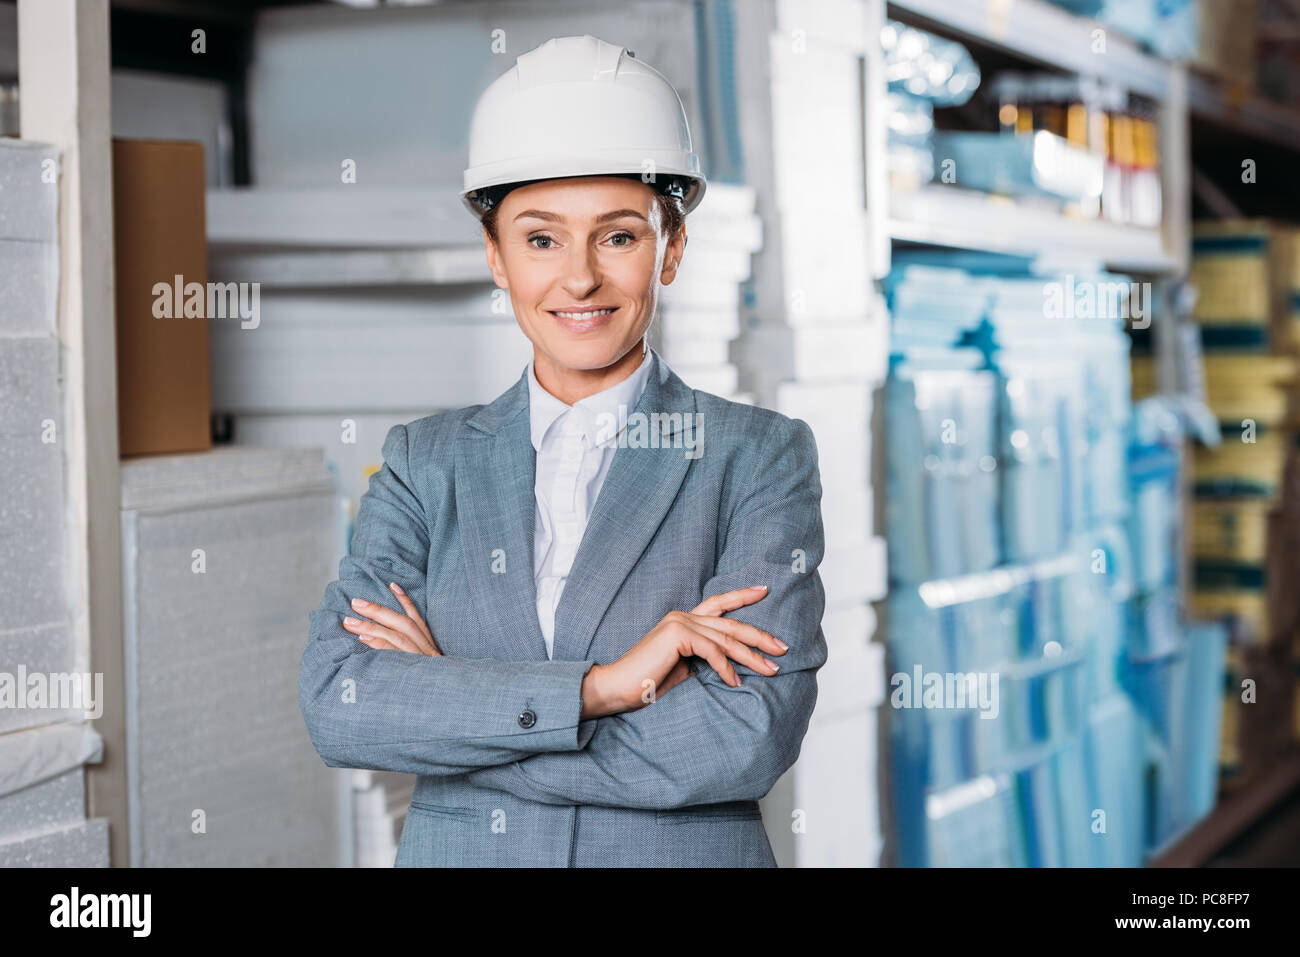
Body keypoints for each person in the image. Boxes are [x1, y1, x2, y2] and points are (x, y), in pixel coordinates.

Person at [299, 34, 828, 868]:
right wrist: (603, 689)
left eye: (618, 237)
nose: (578, 279)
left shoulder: (756, 457)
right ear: (496, 257)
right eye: (541, 239)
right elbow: (343, 701)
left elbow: (744, 735)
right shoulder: (423, 463)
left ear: (674, 248)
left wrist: (460, 708)